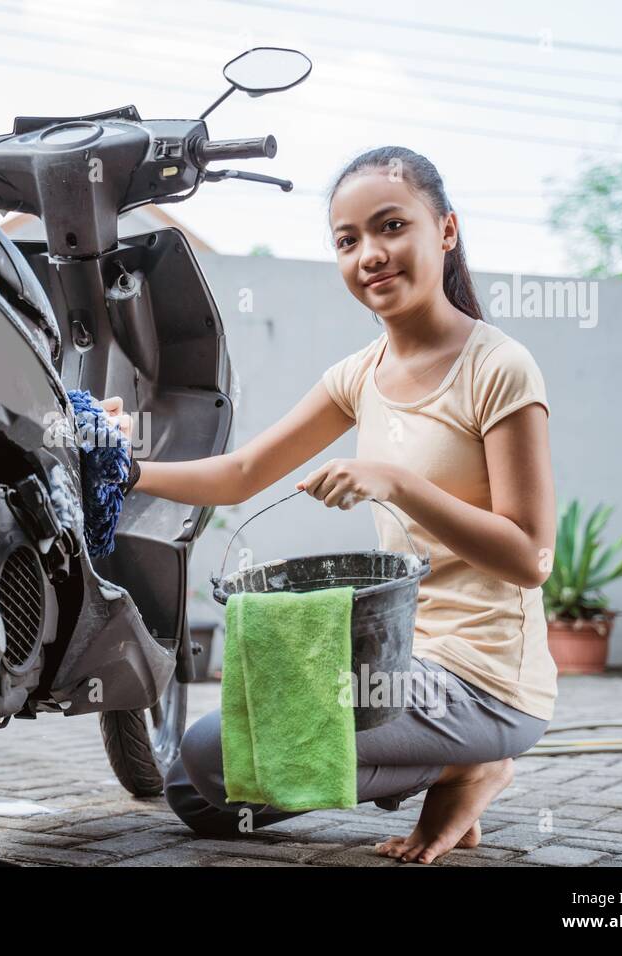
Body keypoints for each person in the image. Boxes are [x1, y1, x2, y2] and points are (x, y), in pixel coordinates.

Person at [94, 145, 557, 864]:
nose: (370, 254)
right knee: (194, 785)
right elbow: (243, 472)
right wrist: (124, 470)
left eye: (391, 226)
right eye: (348, 241)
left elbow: (530, 556)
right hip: (398, 660)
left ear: (446, 231)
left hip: (484, 679)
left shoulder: (498, 367)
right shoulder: (359, 375)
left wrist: (398, 482)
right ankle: (453, 764)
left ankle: (474, 763)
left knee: (220, 754)